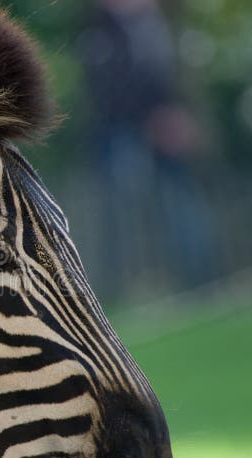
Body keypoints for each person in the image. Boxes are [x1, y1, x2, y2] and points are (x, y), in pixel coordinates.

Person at [78, 0, 214, 301]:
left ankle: (200, 285)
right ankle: (121, 290)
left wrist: (177, 117)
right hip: (122, 133)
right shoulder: (100, 33)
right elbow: (107, 89)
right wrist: (153, 119)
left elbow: (169, 79)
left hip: (164, 130)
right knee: (123, 215)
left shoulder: (155, 25)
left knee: (180, 208)